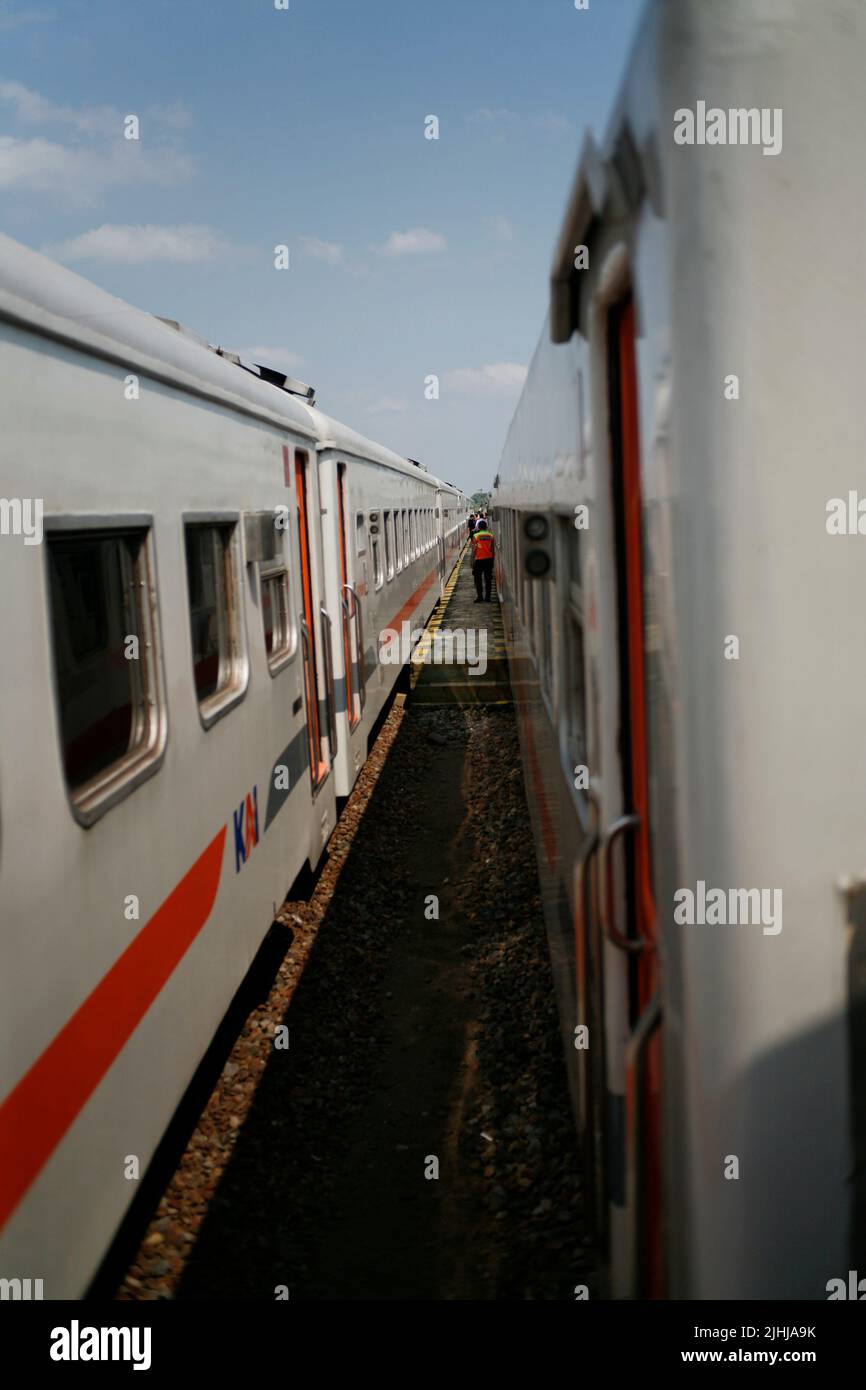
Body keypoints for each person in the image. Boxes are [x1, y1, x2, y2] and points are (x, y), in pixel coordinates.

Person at [471, 518, 495, 601]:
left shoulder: (476, 536)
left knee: (478, 579)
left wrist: (472, 561)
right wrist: (493, 560)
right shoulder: (491, 536)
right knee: (488, 579)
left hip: (479, 560)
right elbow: (492, 549)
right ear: (486, 527)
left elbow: (474, 549)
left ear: (479, 528)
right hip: (489, 559)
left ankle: (480, 596)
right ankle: (488, 597)